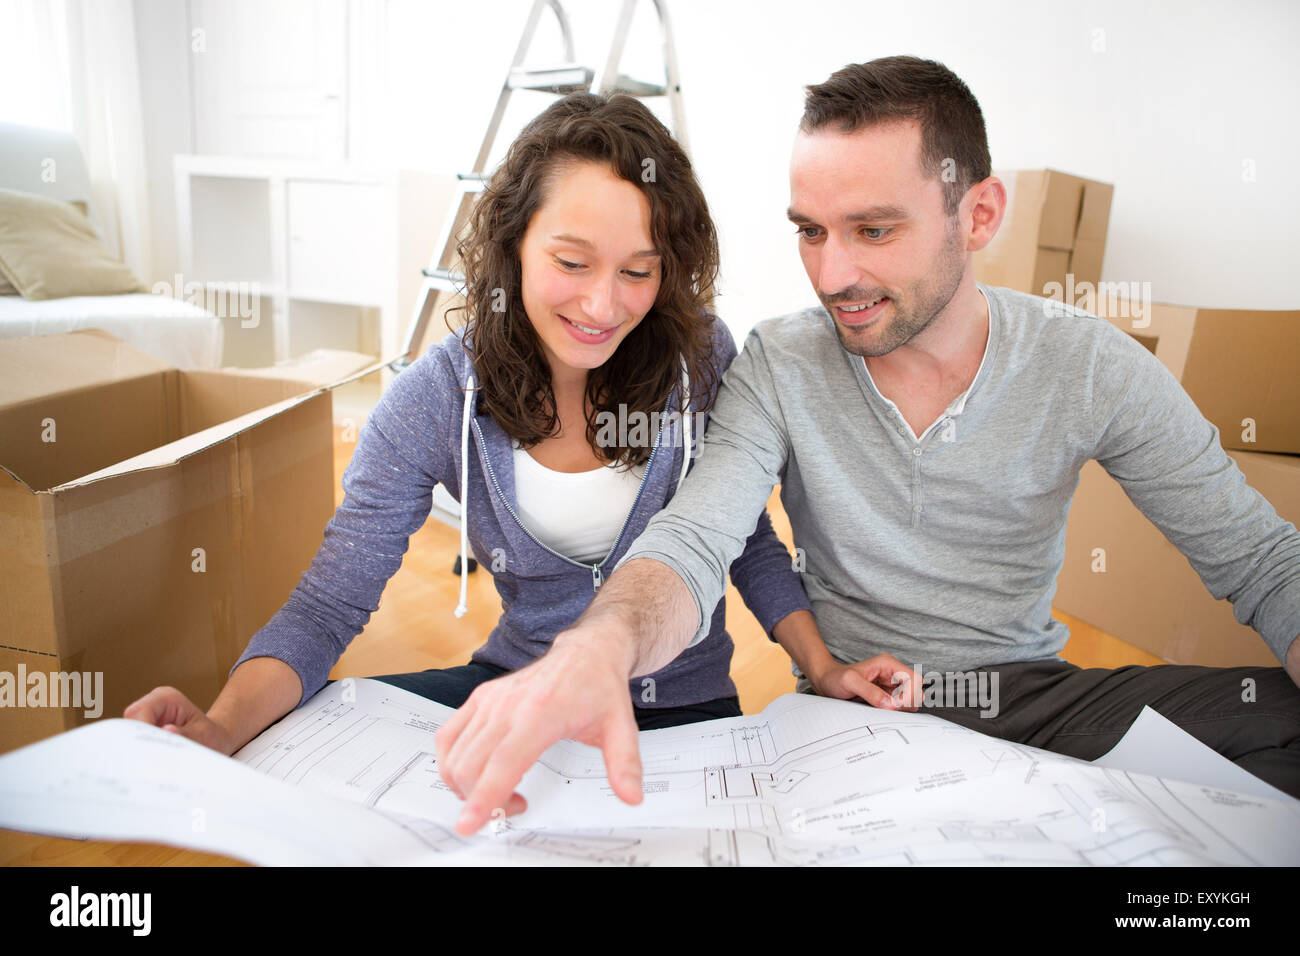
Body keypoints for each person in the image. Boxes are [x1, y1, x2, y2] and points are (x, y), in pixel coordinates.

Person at [435, 56, 1300, 835]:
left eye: (873, 231)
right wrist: (602, 645)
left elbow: (1262, 564)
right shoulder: (781, 361)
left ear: (979, 214)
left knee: (1277, 720)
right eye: (810, 230)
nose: (832, 274)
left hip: (1027, 696)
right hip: (855, 711)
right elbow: (697, 540)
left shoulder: (1089, 365)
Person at [124, 93, 875, 780]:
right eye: (571, 263)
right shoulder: (438, 396)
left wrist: (822, 664)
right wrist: (221, 727)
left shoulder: (701, 357)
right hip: (513, 689)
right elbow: (328, 605)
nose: (602, 304)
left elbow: (742, 538)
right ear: (515, 244)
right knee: (315, 742)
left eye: (639, 272)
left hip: (681, 707)